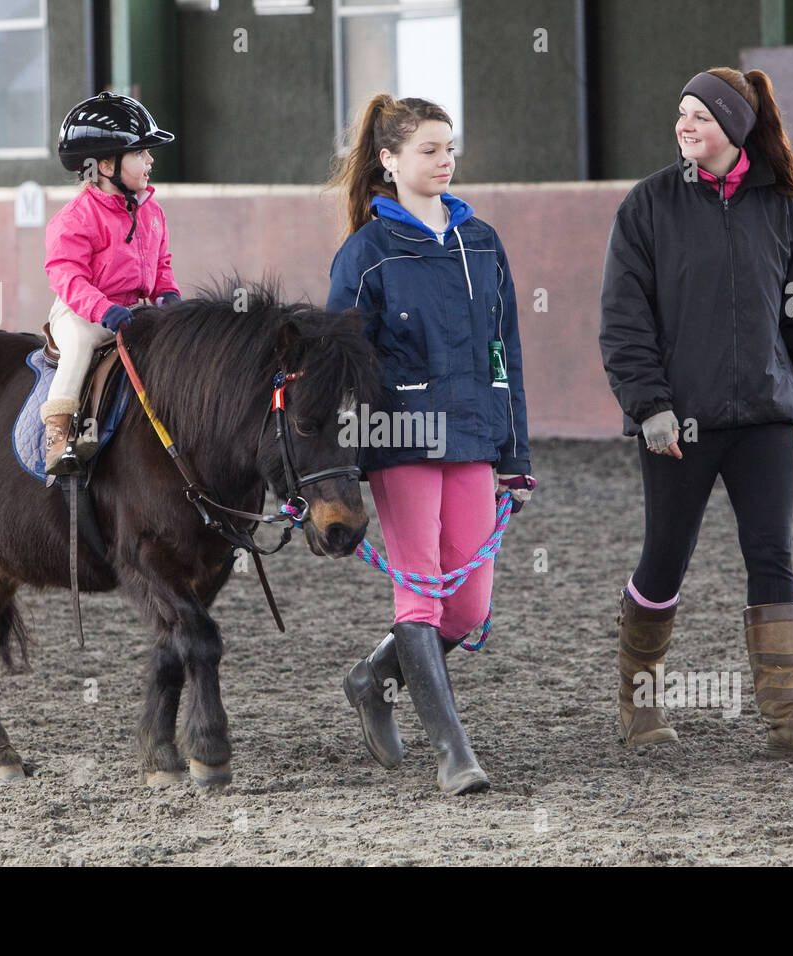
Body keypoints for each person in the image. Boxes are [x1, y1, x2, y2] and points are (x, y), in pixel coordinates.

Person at [599, 67, 793, 757]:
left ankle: (788, 716)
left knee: (773, 554)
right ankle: (640, 707)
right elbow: (624, 320)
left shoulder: (785, 207)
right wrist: (649, 405)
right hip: (679, 424)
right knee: (665, 559)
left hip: (767, 418)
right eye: (681, 113)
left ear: (735, 128)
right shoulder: (648, 205)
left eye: (701, 116)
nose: (686, 125)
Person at [326, 95, 535, 795]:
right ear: (389, 161)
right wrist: (347, 466)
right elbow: (340, 367)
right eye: (429, 150)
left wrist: (516, 453)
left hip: (475, 436)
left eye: (450, 149)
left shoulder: (483, 242)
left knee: (469, 608)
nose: (445, 161)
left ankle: (370, 678)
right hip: (399, 440)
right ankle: (454, 754)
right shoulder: (365, 253)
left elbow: (504, 350)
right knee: (417, 594)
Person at [42, 91, 181, 475]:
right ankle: (57, 434)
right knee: (81, 345)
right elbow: (66, 275)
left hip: (133, 311)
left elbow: (162, 263)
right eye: (140, 153)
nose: (150, 160)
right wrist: (103, 310)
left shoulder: (152, 212)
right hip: (81, 312)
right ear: (105, 164)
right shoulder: (75, 218)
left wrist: (167, 294)